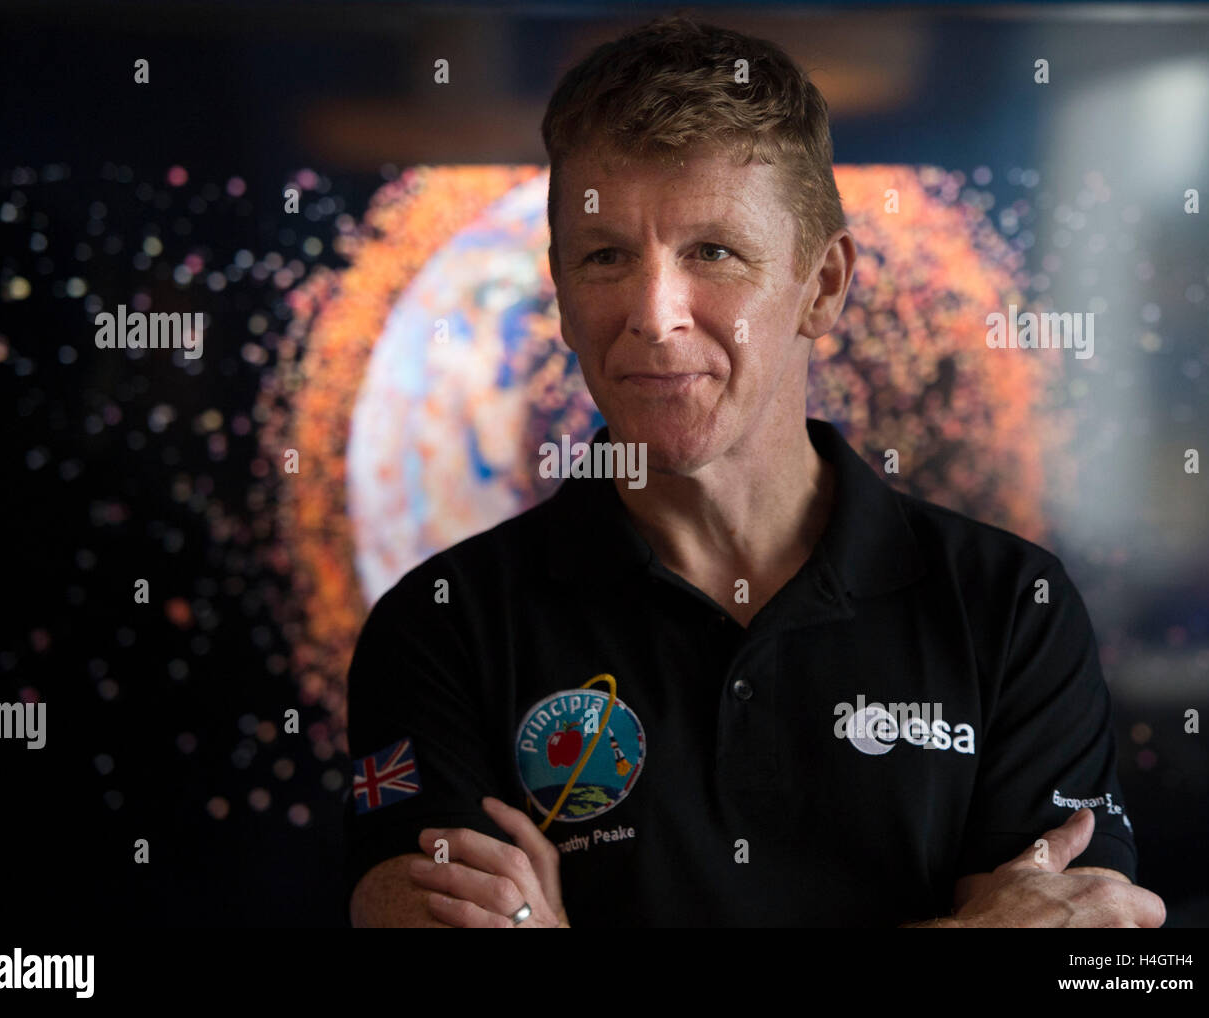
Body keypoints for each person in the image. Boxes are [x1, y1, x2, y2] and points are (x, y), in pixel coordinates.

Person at [345, 14, 1166, 928]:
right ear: (562, 293)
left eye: (714, 253)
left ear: (823, 285)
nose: (654, 316)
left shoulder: (1013, 611)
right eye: (607, 256)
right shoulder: (442, 628)